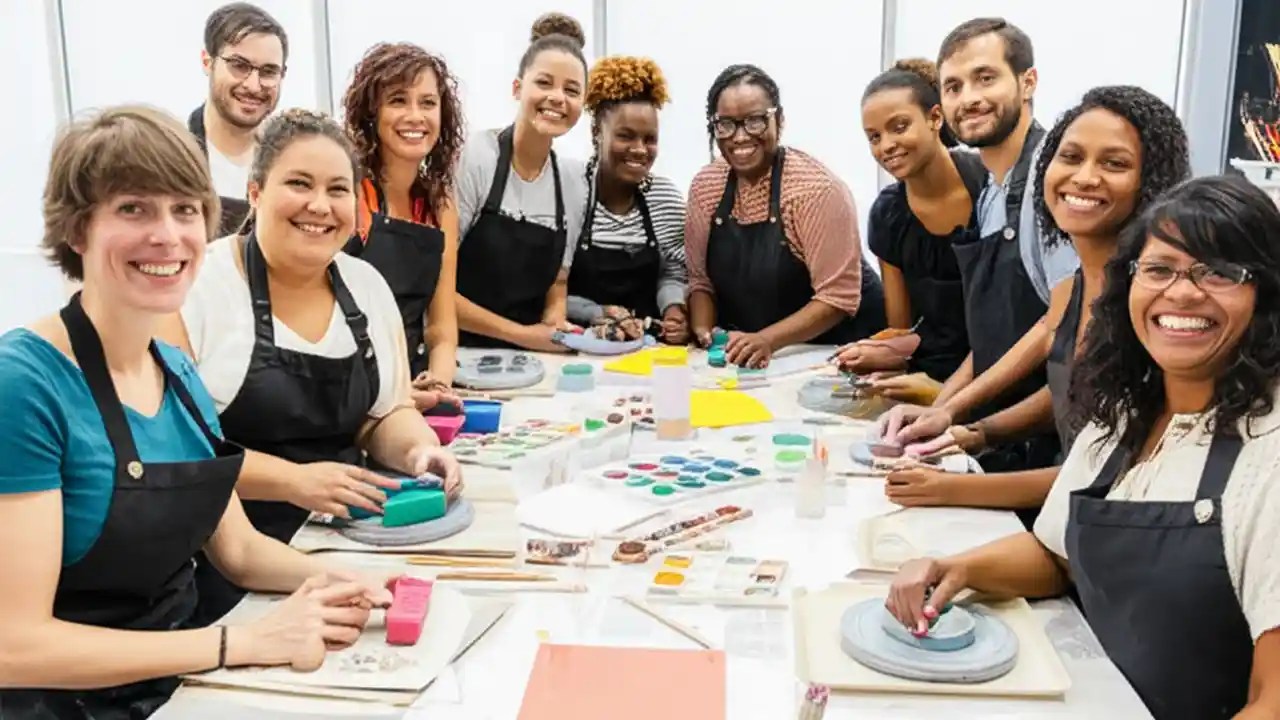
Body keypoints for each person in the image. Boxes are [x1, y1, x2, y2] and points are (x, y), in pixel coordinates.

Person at [0, 105, 394, 718]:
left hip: (178, 689)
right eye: (133, 209)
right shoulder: (24, 383)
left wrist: (354, 579)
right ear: (76, 230)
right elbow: (15, 647)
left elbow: (239, 551)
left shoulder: (178, 375)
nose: (168, 236)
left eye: (185, 210)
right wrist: (237, 643)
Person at [886, 175, 1280, 720]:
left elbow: (1271, 701)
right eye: (1159, 269)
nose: (1183, 292)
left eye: (1218, 272)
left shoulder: (1268, 456)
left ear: (1267, 296)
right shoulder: (1126, 413)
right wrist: (955, 569)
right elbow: (1058, 554)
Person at [158, 108, 461, 625]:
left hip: (348, 540)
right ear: (256, 191)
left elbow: (384, 414)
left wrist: (419, 451)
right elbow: (179, 458)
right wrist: (295, 481)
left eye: (338, 189)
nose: (319, 206)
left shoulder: (366, 286)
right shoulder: (199, 288)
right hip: (224, 560)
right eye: (299, 184)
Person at [877, 87, 1191, 513]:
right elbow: (1073, 395)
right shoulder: (1081, 283)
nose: (1084, 177)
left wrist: (949, 488)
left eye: (1114, 164)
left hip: (1105, 526)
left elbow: (1110, 473)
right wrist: (972, 430)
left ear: (1152, 181)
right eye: (1071, 157)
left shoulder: (1151, 305)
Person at [882, 18, 1074, 473]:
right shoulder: (990, 190)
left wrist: (953, 411)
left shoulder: (1054, 183)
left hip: (1049, 440)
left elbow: (1055, 326)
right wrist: (940, 408)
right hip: (998, 431)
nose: (968, 98)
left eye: (985, 78)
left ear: (1028, 82)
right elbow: (994, 337)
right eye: (953, 86)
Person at [685, 63, 886, 369]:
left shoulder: (815, 190)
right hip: (756, 353)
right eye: (725, 124)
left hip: (837, 351)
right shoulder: (706, 186)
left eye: (755, 121)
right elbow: (700, 282)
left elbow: (837, 298)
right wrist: (705, 331)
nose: (740, 137)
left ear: (779, 121)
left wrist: (766, 340)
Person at [839, 58, 988, 404]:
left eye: (900, 127)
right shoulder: (888, 215)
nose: (886, 145)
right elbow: (903, 327)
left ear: (935, 118)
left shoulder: (992, 189)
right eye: (874, 137)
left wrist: (947, 397)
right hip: (930, 374)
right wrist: (888, 353)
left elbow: (1015, 323)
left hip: (995, 377)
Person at [453, 12, 591, 351]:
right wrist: (523, 336)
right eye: (544, 83)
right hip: (458, 352)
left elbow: (558, 282)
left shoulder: (574, 182)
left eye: (571, 90)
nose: (557, 97)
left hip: (533, 359)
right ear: (517, 88)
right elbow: (434, 285)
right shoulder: (477, 156)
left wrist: (556, 322)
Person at [341, 42, 464, 411]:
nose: (415, 116)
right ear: (371, 113)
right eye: (398, 101)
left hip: (413, 386)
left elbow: (442, 329)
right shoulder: (350, 194)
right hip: (347, 387)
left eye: (427, 103)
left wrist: (439, 384)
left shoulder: (440, 206)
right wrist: (392, 393)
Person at [566, 55, 690, 345]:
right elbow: (549, 290)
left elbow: (673, 273)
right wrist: (596, 313)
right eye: (626, 136)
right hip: (578, 346)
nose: (640, 149)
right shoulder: (571, 192)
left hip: (645, 350)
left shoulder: (666, 199)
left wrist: (673, 310)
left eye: (650, 139)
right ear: (597, 133)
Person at [189, 2, 288, 237]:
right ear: (207, 61)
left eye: (268, 72)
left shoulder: (292, 161)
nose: (253, 86)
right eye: (239, 66)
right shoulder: (171, 157)